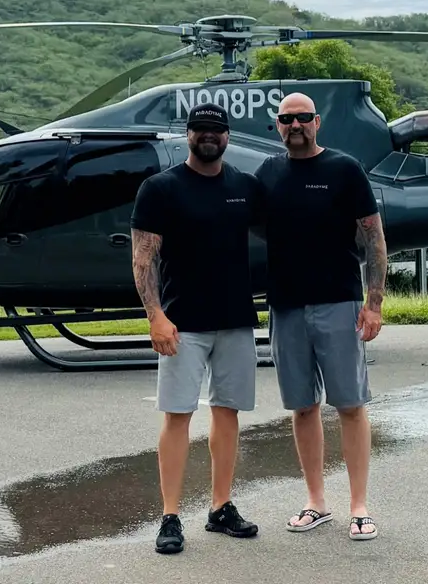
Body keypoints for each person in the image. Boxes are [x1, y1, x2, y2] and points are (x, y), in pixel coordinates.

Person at [129, 101, 263, 554]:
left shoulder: (245, 187)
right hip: (181, 322)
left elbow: (289, 228)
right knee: (177, 415)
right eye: (200, 129)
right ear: (188, 134)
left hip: (235, 321)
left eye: (217, 130)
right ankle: (169, 516)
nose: (209, 136)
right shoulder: (160, 189)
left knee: (228, 413)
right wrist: (155, 315)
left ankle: (220, 507)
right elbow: (142, 259)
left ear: (227, 137)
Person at [256, 91, 387, 542]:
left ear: (317, 123)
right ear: (277, 126)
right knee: (303, 406)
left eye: (304, 118)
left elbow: (373, 238)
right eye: (287, 119)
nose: (296, 126)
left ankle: (359, 506)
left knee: (350, 404)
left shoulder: (344, 169)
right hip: (286, 306)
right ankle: (316, 502)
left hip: (339, 302)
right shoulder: (268, 174)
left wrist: (374, 303)